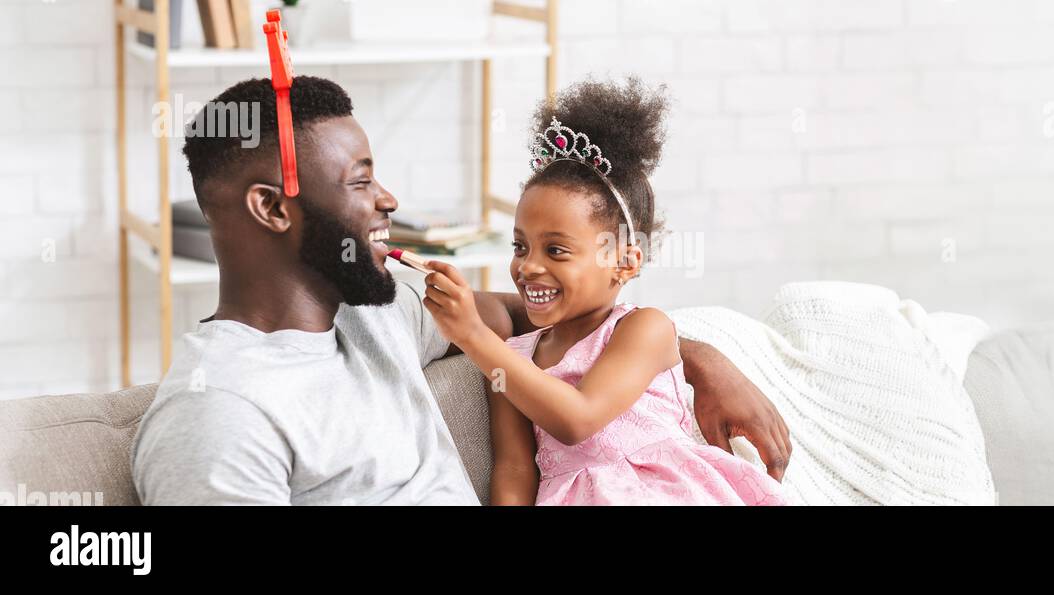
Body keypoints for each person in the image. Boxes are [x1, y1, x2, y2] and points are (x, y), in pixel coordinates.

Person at [130, 75, 792, 505]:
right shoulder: (218, 414)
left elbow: (550, 323)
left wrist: (700, 355)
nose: (389, 198)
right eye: (360, 181)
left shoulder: (382, 309)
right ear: (273, 210)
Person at [417, 78, 788, 505]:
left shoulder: (644, 330)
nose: (528, 266)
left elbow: (579, 418)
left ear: (624, 262)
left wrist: (474, 336)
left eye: (556, 250)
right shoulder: (511, 359)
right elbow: (515, 468)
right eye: (520, 246)